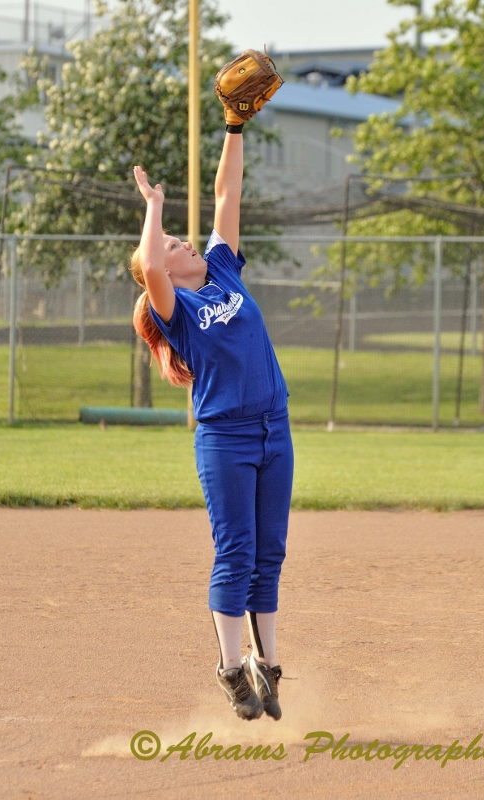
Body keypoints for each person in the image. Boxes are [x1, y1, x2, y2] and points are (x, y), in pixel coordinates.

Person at [129, 117, 294, 722]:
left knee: (270, 551)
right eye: (175, 245)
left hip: (275, 427)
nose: (185, 244)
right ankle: (230, 668)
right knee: (237, 551)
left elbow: (228, 194)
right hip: (225, 438)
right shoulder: (178, 307)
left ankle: (266, 664)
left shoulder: (223, 270)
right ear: (167, 272)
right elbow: (149, 270)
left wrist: (234, 126)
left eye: (180, 240)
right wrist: (155, 208)